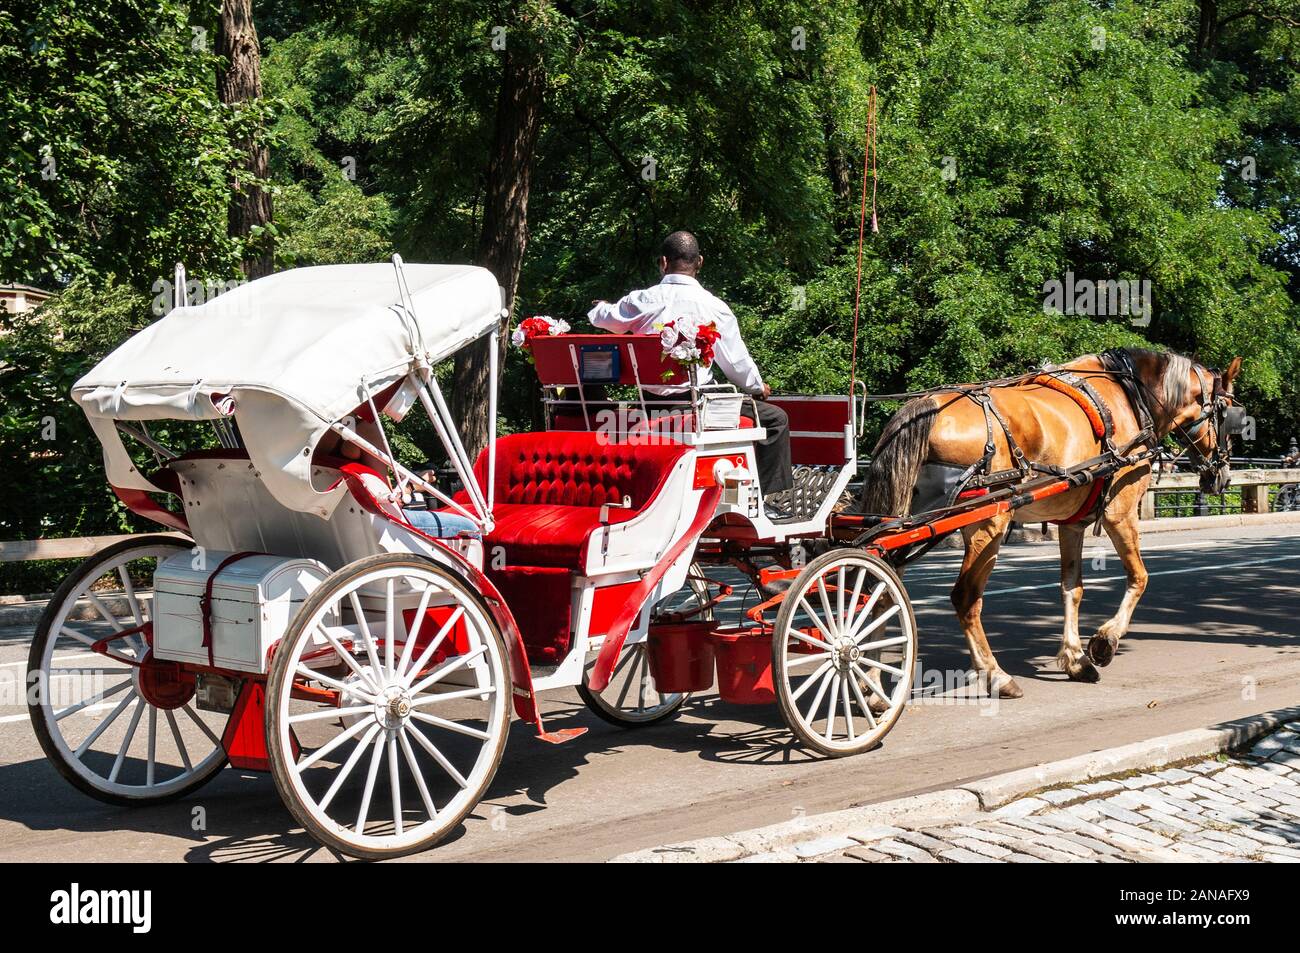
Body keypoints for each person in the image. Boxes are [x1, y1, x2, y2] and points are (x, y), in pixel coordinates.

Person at [588, 230, 793, 506]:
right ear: (699, 263)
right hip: (695, 406)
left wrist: (600, 307)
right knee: (776, 419)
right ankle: (770, 501)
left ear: (663, 262)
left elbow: (604, 318)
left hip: (648, 405)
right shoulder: (714, 307)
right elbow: (735, 362)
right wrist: (757, 387)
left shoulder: (639, 301)